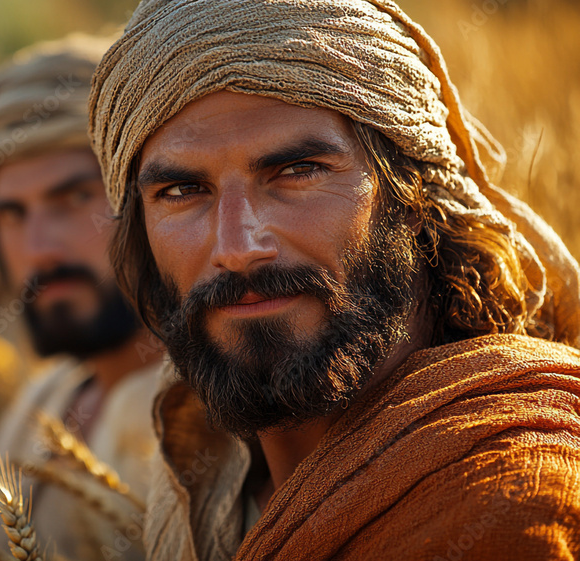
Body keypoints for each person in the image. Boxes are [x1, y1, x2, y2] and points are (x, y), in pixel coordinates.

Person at [87, 1, 580, 559]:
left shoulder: (514, 499)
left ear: (411, 195)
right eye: (181, 191)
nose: (238, 248)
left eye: (298, 172)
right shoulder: (202, 484)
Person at [0, 35, 164, 560]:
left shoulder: (225, 409)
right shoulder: (38, 404)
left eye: (73, 198)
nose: (38, 250)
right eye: (12, 214)